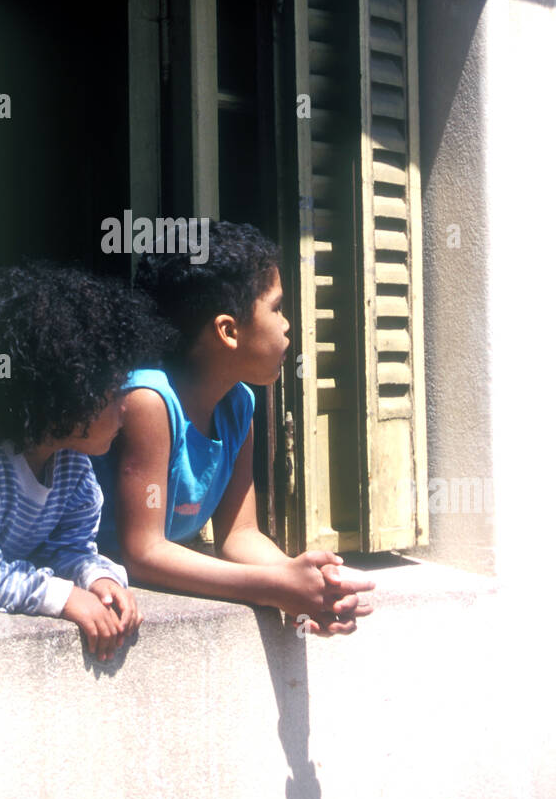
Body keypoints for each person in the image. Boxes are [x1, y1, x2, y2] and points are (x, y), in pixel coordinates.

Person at [92, 221, 375, 636]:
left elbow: (239, 534)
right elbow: (143, 554)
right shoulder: (148, 401)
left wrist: (314, 586)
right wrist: (275, 586)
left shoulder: (239, 403)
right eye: (277, 308)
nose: (287, 325)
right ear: (228, 330)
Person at [0, 262, 168, 661]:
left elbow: (69, 549)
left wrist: (96, 577)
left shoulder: (74, 469)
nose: (126, 407)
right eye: (114, 392)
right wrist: (61, 597)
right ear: (64, 396)